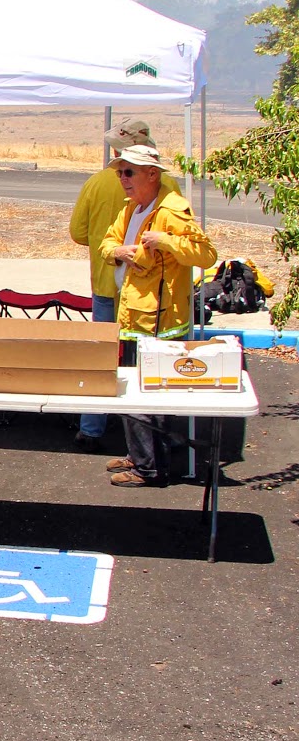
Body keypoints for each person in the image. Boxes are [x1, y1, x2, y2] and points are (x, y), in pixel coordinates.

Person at [98, 144, 217, 488]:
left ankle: (149, 468)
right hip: (134, 315)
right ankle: (139, 455)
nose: (123, 179)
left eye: (129, 172)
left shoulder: (172, 211)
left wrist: (166, 241)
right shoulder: (132, 209)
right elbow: (107, 243)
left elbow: (206, 255)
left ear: (152, 174)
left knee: (147, 395)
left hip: (160, 322)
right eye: (120, 172)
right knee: (133, 392)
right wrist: (118, 251)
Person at [67, 119, 180, 452]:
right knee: (148, 358)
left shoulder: (97, 182)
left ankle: (92, 427)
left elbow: (78, 233)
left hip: (107, 284)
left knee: (101, 355)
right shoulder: (167, 183)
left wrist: (110, 246)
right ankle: (147, 434)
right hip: (151, 290)